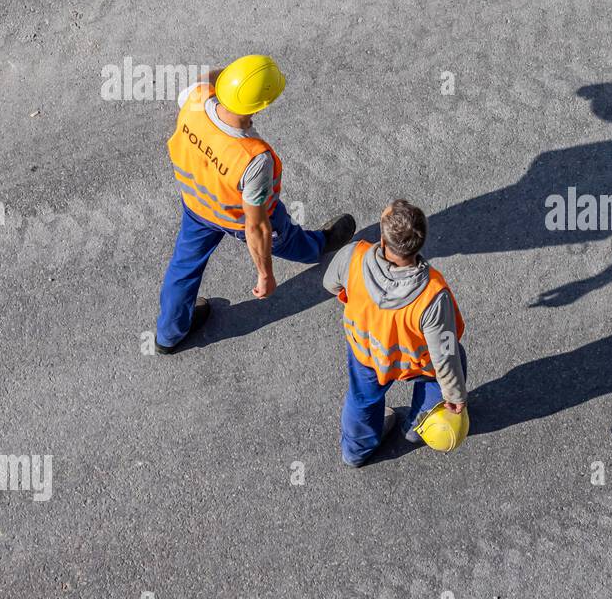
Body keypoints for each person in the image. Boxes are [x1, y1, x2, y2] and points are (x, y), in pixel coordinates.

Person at [154, 55, 355, 353]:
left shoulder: (195, 96)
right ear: (260, 106)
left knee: (184, 268)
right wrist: (265, 275)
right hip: (234, 219)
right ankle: (316, 247)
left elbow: (209, 79)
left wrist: (236, 78)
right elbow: (256, 226)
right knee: (283, 236)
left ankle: (168, 336)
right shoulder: (254, 160)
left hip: (196, 204)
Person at [324, 200, 467, 466]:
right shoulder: (432, 296)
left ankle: (356, 452)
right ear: (420, 242)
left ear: (382, 239)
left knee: (362, 399)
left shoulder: (352, 256)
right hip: (415, 360)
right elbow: (445, 354)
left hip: (366, 352)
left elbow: (330, 284)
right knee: (452, 363)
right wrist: (455, 396)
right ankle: (419, 425)